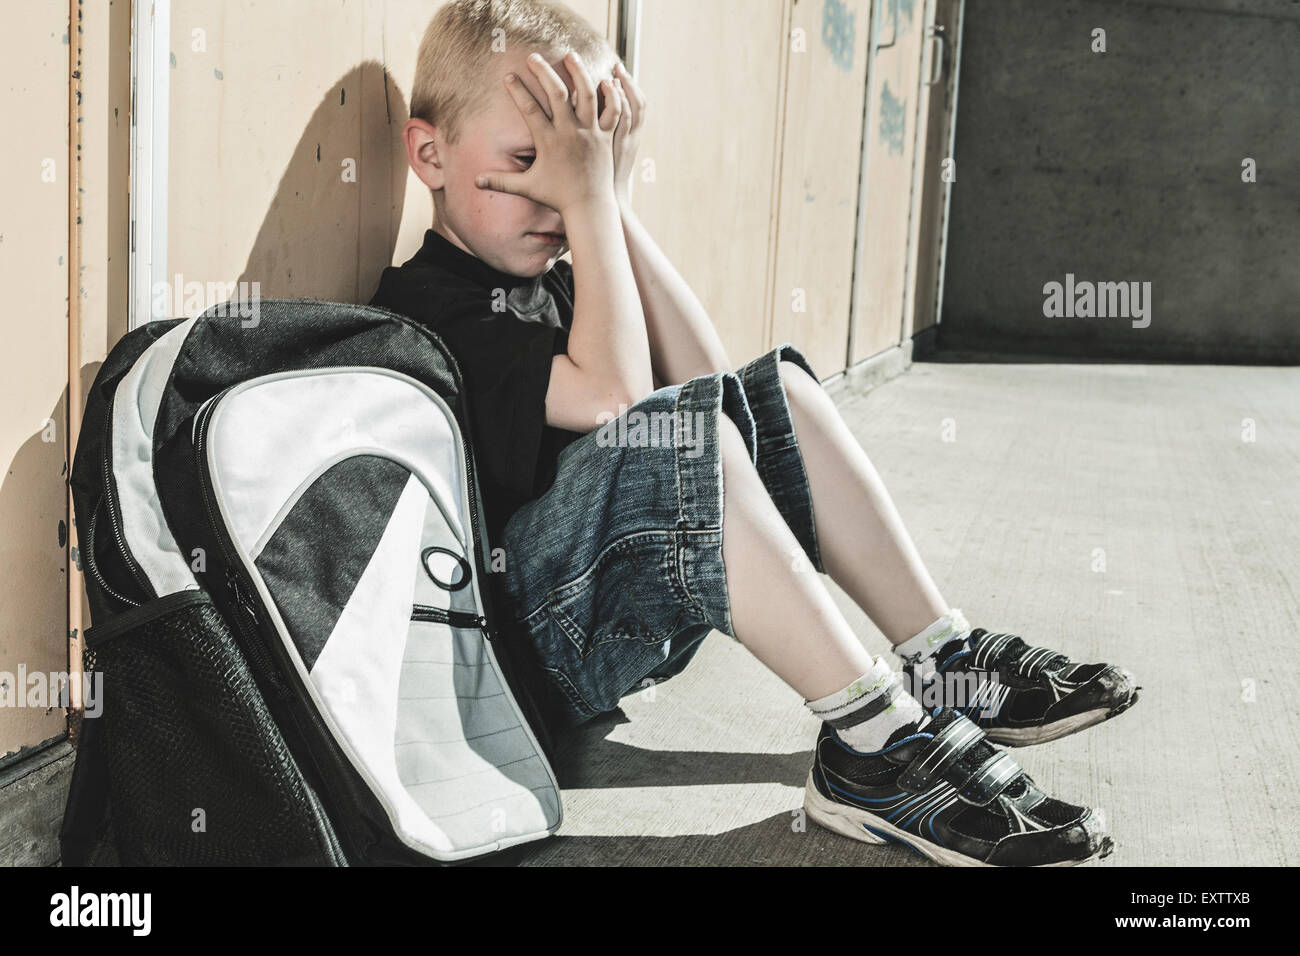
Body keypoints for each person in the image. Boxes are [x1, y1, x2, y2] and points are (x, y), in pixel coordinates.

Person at [370, 0, 1140, 866]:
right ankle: (872, 747)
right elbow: (624, 401)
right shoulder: (426, 312)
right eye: (526, 164)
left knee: (776, 393)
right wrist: (585, 196)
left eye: (569, 170)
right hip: (522, 659)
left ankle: (941, 656)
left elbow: (714, 384)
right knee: (675, 441)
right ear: (429, 154)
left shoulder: (555, 271)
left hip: (603, 613)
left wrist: (610, 202)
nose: (555, 200)